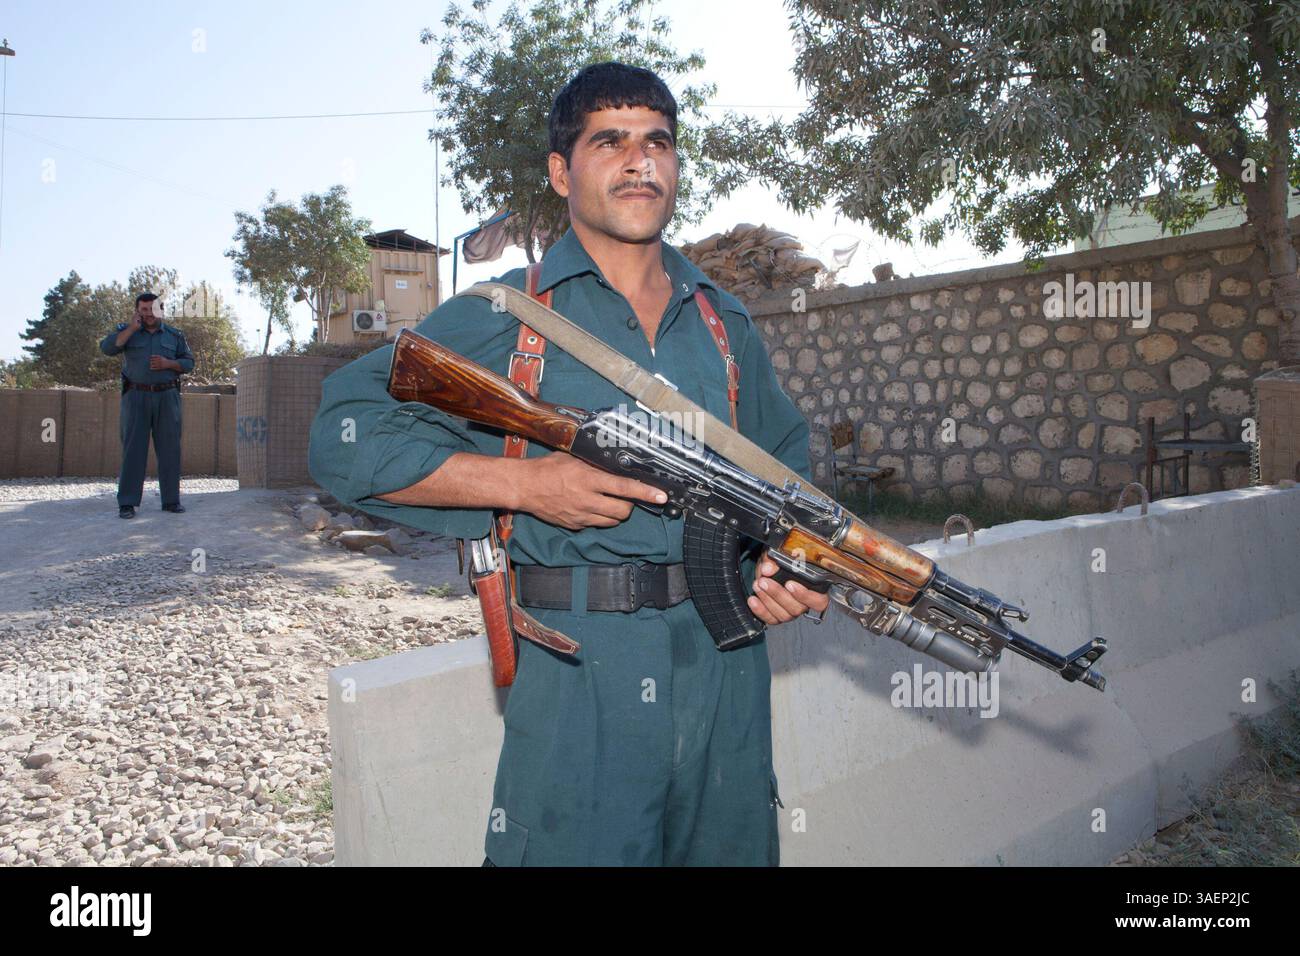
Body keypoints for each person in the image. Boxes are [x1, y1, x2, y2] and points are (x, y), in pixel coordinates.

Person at [307, 61, 829, 866]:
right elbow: (343, 433)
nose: (640, 161)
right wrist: (523, 485)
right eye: (609, 141)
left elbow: (787, 478)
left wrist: (785, 568)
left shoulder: (724, 326)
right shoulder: (504, 318)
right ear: (561, 170)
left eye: (658, 142)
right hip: (578, 669)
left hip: (726, 671)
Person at [99, 292, 195, 518]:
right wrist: (131, 329)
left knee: (170, 449)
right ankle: (127, 503)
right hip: (136, 396)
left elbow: (189, 362)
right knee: (133, 450)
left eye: (152, 309)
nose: (148, 314)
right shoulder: (127, 331)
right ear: (137, 311)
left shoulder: (175, 335)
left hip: (167, 396)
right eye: (144, 310)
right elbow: (107, 348)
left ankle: (171, 501)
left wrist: (169, 363)